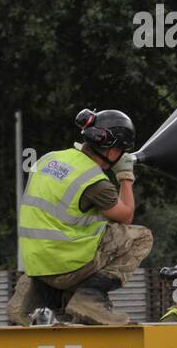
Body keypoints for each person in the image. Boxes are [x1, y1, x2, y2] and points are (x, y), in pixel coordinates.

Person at [8, 108, 152, 326]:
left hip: (37, 265)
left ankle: (35, 290)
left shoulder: (48, 159)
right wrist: (125, 177)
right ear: (112, 152)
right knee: (140, 237)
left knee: (73, 308)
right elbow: (126, 216)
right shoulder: (94, 181)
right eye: (120, 151)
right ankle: (90, 299)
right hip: (66, 265)